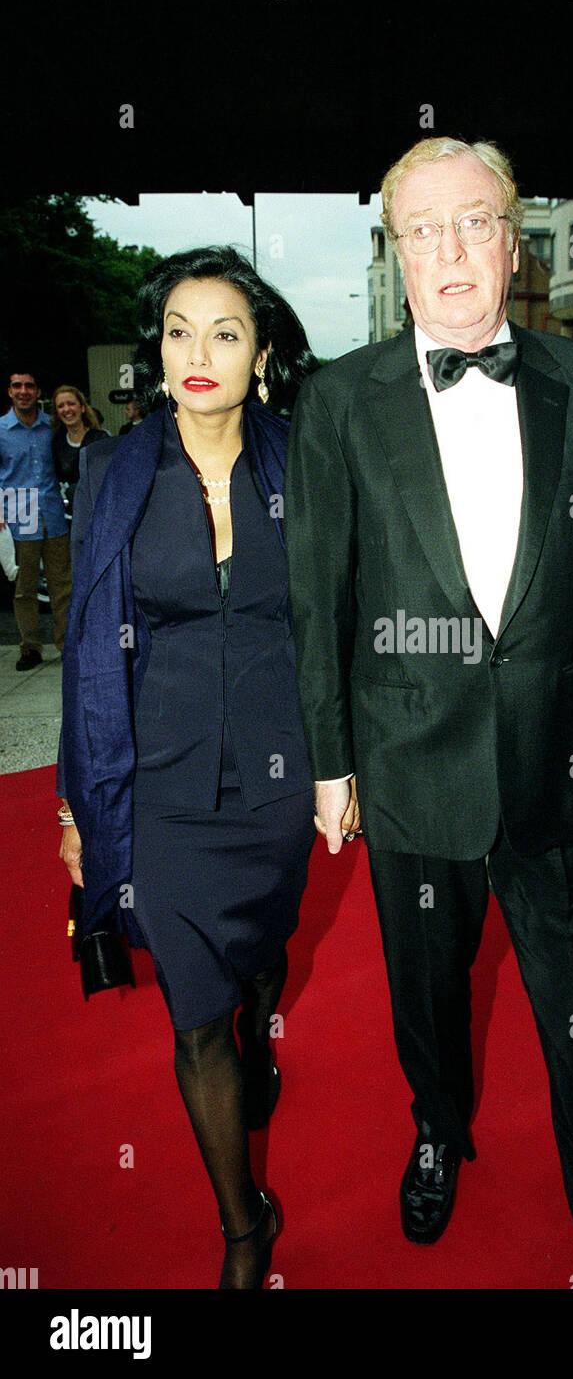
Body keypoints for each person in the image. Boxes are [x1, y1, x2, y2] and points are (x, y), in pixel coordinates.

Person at [284, 137, 573, 1290]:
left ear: (512, 239)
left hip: (553, 764)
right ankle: (439, 1127)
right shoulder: (340, 399)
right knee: (428, 1001)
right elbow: (320, 593)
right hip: (408, 768)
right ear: (396, 249)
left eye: (474, 221)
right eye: (422, 228)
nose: (450, 250)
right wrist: (331, 762)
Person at [57, 246, 341, 1289]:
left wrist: (341, 763)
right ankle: (241, 1224)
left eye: (224, 331)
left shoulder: (304, 460)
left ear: (261, 352)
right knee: (190, 1012)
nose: (198, 352)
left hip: (277, 772)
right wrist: (75, 797)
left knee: (261, 953)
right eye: (180, 330)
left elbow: (334, 623)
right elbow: (90, 639)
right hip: (159, 776)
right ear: (158, 350)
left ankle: (260, 1018)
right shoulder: (113, 469)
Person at [0, 371, 72, 670]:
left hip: (53, 511)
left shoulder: (51, 426)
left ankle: (68, 645)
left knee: (62, 586)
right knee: (25, 588)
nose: (23, 391)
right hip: (19, 510)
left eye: (29, 386)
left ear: (38, 391)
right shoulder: (1, 430)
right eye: (18, 386)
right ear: (10, 391)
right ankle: (30, 648)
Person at [51, 385, 108, 517]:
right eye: (60, 406)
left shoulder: (100, 438)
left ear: (82, 407)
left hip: (100, 513)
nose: (66, 409)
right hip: (72, 517)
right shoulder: (57, 442)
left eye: (71, 404)